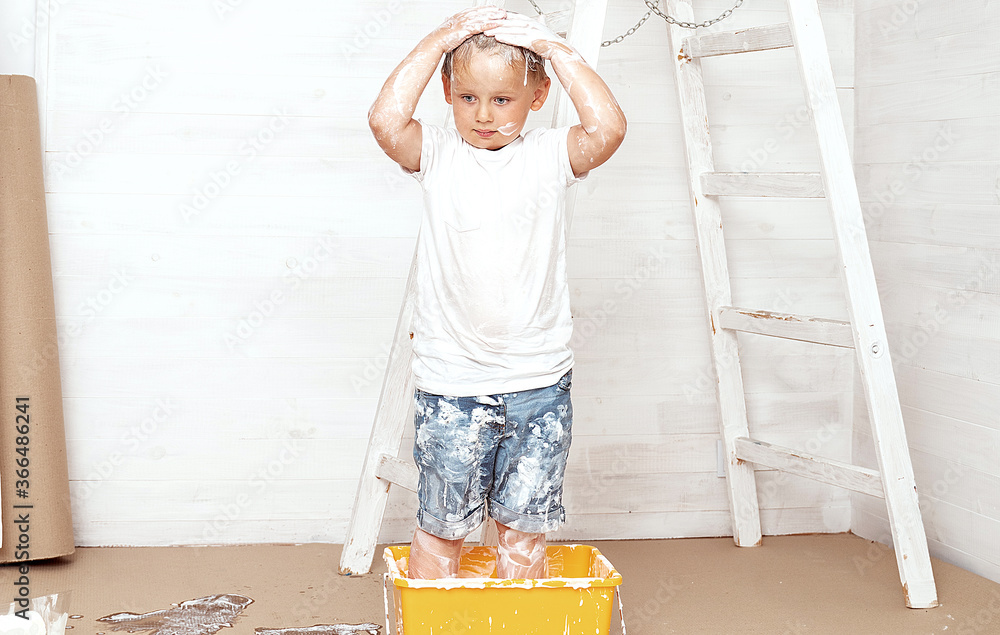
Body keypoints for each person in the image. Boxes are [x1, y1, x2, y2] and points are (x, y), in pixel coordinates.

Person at [367, 6, 626, 580]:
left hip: (538, 382)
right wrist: (441, 40)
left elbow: (607, 129)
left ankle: (515, 616)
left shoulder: (549, 156)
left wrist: (556, 51)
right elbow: (386, 120)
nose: (483, 115)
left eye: (502, 100)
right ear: (447, 93)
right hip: (452, 382)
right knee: (442, 526)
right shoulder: (437, 156)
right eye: (467, 98)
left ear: (537, 97)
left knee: (522, 532)